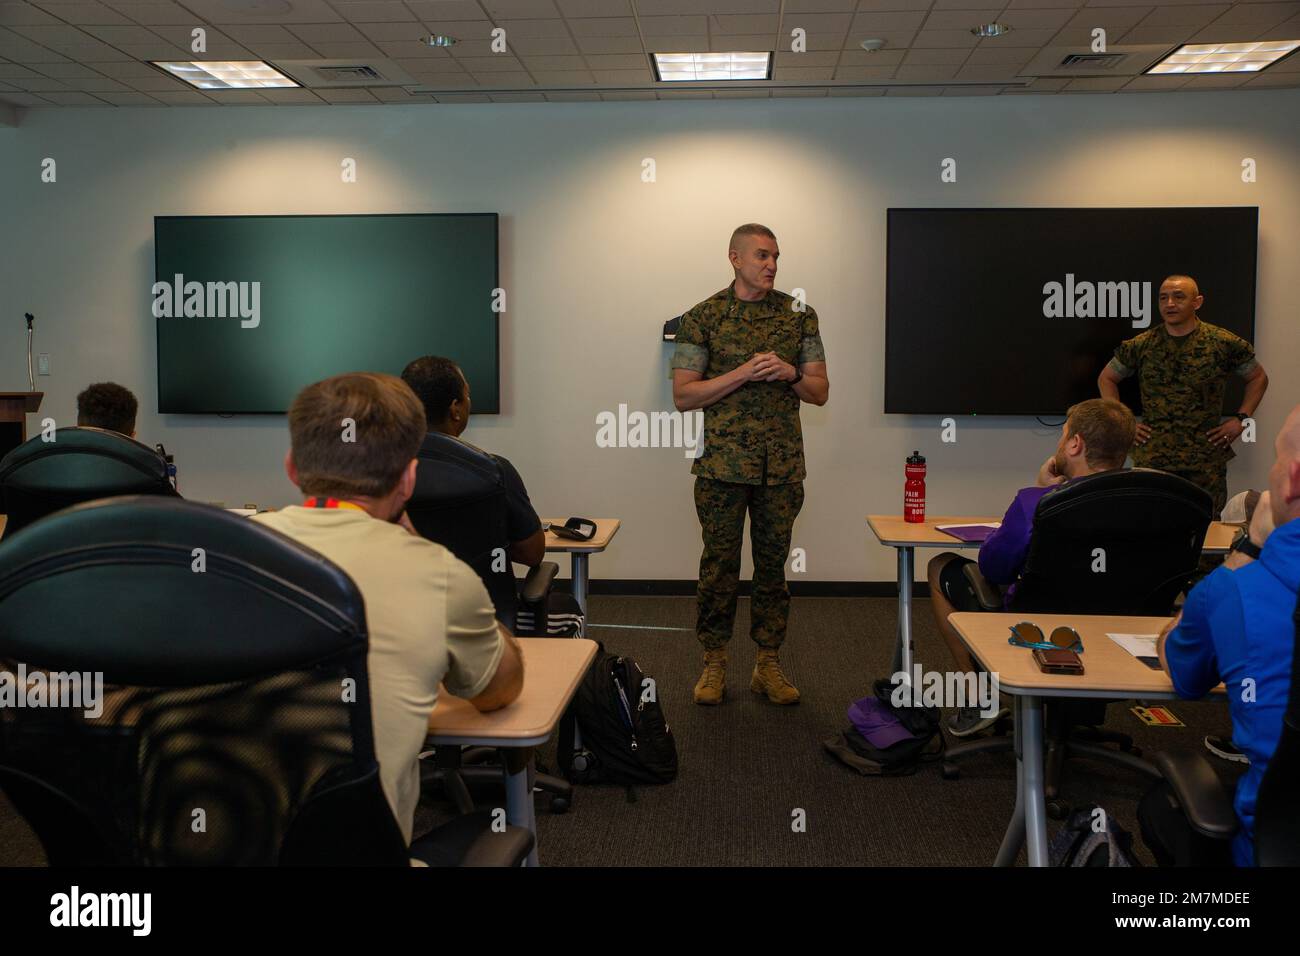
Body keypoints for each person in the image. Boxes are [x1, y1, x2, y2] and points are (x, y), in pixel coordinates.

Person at [252, 372, 523, 846]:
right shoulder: (436, 574)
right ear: (409, 478)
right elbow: (499, 690)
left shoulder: (221, 556)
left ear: (292, 468)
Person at [671, 223, 829, 706]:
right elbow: (683, 396)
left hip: (780, 470)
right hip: (722, 468)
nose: (772, 265)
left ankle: (767, 664)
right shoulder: (702, 317)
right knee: (718, 567)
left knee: (772, 570)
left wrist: (791, 372)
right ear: (735, 258)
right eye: (761, 255)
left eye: (776, 256)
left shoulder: (800, 316)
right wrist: (742, 372)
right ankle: (714, 663)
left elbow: (820, 392)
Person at [1147, 405, 1300, 866]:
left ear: (1291, 478)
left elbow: (1185, 672)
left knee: (1160, 808)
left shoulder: (1234, 590)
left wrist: (1249, 548)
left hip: (1275, 848)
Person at [927, 398, 1136, 736]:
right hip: (1122, 638)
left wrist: (1040, 491)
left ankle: (981, 699)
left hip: (1038, 632)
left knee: (940, 567)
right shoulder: (1149, 504)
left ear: (1074, 444)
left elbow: (995, 569)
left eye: (1064, 434)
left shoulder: (1035, 503)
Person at [400, 356, 577, 634]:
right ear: (455, 409)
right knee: (569, 613)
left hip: (402, 627)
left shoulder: (378, 475)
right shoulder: (494, 470)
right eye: (467, 396)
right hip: (488, 624)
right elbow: (533, 554)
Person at [1098, 274, 1268, 518]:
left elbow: (1258, 378)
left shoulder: (1222, 343)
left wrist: (1242, 420)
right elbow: (1106, 378)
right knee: (1150, 528)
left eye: (1179, 297)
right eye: (1163, 298)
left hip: (1205, 458)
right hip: (1154, 456)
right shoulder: (1143, 344)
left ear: (1197, 302)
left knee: (1205, 531)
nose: (1169, 304)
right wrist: (1124, 424)